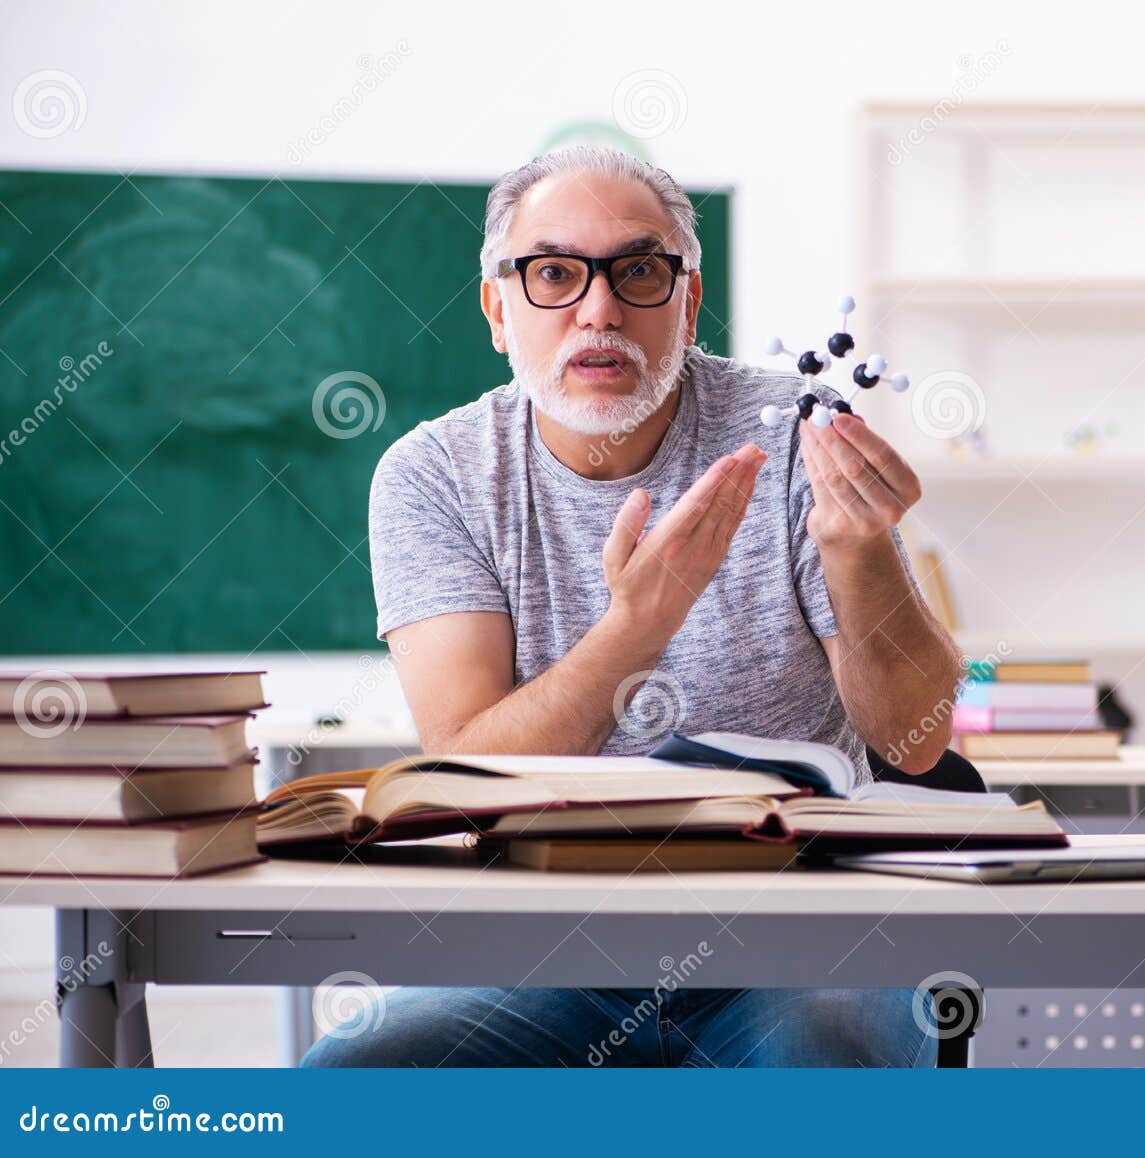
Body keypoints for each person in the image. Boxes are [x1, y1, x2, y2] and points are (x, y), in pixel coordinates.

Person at [302, 145, 963, 1067]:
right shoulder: (434, 475)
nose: (599, 310)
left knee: (825, 1062)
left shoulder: (795, 431)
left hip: (802, 928)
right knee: (359, 1075)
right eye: (554, 274)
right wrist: (634, 632)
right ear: (499, 309)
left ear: (688, 304)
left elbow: (915, 739)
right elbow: (464, 773)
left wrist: (861, 557)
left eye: (640, 272)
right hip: (538, 943)